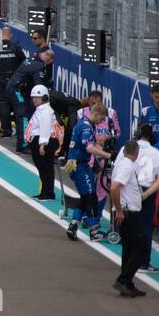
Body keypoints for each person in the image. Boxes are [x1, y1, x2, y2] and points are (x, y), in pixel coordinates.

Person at [64, 102, 112, 241]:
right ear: (96, 113)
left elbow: (93, 144)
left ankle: (73, 226)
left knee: (85, 197)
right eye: (101, 118)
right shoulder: (86, 126)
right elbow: (89, 148)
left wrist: (104, 151)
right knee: (91, 197)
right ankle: (94, 231)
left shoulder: (87, 123)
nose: (102, 121)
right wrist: (108, 155)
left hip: (80, 165)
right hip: (79, 166)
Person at [110, 140, 150, 297]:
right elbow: (114, 188)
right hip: (128, 213)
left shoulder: (121, 164)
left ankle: (127, 283)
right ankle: (123, 279)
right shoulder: (126, 166)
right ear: (136, 152)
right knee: (142, 248)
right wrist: (119, 210)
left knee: (128, 249)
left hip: (125, 212)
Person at [133, 123, 159, 274]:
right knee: (146, 228)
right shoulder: (157, 153)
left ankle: (129, 261)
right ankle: (144, 263)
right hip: (147, 191)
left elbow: (118, 168)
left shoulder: (128, 148)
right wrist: (146, 194)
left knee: (129, 227)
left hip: (130, 188)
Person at [0, 27, 26, 140]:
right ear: (10, 35)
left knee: (3, 105)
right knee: (18, 105)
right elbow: (24, 63)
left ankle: (6, 130)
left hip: (1, 80)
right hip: (14, 81)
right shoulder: (16, 48)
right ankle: (20, 130)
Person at [26, 85, 58, 200]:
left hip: (44, 142)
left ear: (44, 97)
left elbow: (45, 128)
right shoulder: (41, 109)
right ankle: (45, 191)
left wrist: (42, 145)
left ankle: (48, 193)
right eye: (33, 97)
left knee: (45, 167)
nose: (34, 99)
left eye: (37, 97)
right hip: (40, 141)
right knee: (42, 167)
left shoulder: (45, 111)